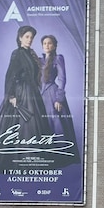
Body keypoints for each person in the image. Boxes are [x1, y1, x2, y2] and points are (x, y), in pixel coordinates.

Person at [0, 24, 53, 174]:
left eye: (31, 37)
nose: (30, 39)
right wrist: (11, 96)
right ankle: (22, 161)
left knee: (34, 125)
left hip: (32, 93)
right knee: (24, 125)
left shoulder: (31, 54)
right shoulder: (17, 53)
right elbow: (10, 76)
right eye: (27, 37)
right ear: (20, 38)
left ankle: (35, 160)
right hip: (21, 93)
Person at [38, 34, 79, 167]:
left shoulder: (58, 58)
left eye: (49, 43)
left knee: (56, 125)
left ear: (54, 45)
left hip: (53, 94)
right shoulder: (39, 60)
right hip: (40, 95)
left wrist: (59, 99)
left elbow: (62, 79)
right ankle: (46, 157)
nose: (47, 45)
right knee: (42, 125)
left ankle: (61, 159)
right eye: (44, 43)